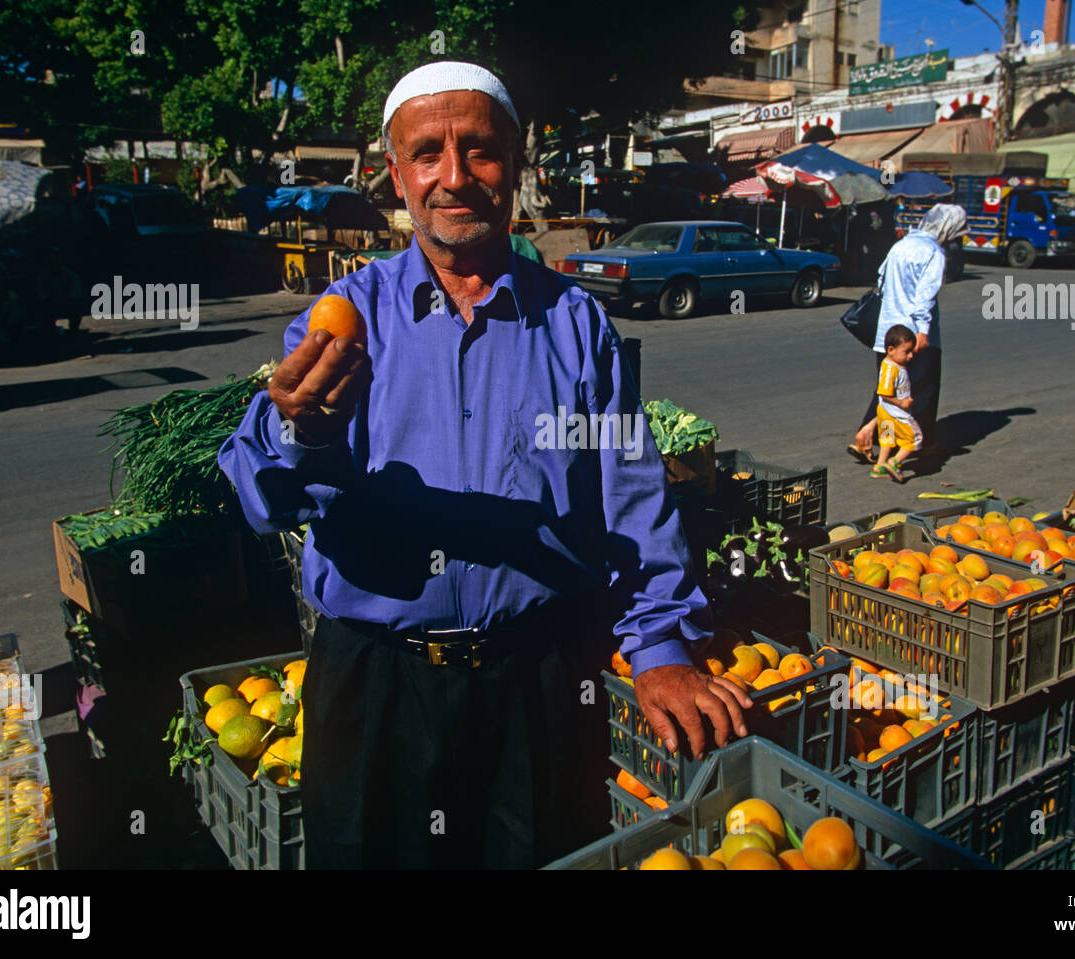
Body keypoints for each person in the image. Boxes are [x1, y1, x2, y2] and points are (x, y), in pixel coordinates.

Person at [217, 61, 752, 869]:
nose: (454, 176)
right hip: (374, 689)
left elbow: (633, 504)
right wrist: (304, 433)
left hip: (536, 683)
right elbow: (258, 492)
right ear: (395, 173)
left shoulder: (575, 325)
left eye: (481, 150)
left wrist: (662, 649)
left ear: (519, 160)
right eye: (427, 152)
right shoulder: (344, 322)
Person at [848, 203, 967, 464]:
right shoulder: (933, 252)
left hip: (887, 334)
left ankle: (873, 438)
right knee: (922, 391)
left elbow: (881, 281)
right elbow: (925, 297)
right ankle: (918, 444)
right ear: (948, 227)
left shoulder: (900, 246)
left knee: (887, 390)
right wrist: (923, 330)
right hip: (914, 336)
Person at [869, 325, 921, 484]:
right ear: (891, 349)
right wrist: (902, 403)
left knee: (887, 439)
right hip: (897, 413)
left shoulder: (890, 364)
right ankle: (894, 462)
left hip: (884, 412)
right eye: (907, 352)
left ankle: (879, 467)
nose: (911, 356)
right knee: (914, 438)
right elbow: (884, 393)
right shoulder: (892, 370)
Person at [35, 247, 85, 334]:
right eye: (52, 260)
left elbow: (75, 294)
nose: (54, 262)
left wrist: (66, 301)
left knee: (76, 307)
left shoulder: (71, 276)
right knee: (43, 310)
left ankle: (74, 330)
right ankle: (49, 332)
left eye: (57, 259)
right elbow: (43, 296)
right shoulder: (42, 277)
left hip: (68, 304)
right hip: (51, 305)